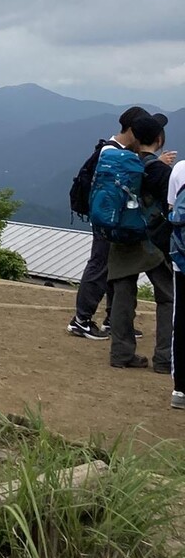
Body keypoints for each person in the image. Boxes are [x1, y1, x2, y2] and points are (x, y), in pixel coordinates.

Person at [67, 106, 167, 339]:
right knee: (100, 264)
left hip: (111, 218)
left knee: (114, 266)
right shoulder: (114, 153)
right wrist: (156, 164)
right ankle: (81, 319)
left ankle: (114, 320)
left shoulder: (112, 151)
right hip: (109, 219)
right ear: (133, 131)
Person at [102, 114, 175, 371]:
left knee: (122, 295)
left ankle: (121, 353)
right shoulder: (158, 169)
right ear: (158, 139)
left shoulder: (122, 163)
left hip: (121, 237)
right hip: (151, 242)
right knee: (168, 298)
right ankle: (165, 358)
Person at [167, 158, 185, 410]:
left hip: (182, 261)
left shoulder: (180, 168)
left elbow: (172, 211)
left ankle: (180, 389)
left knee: (181, 321)